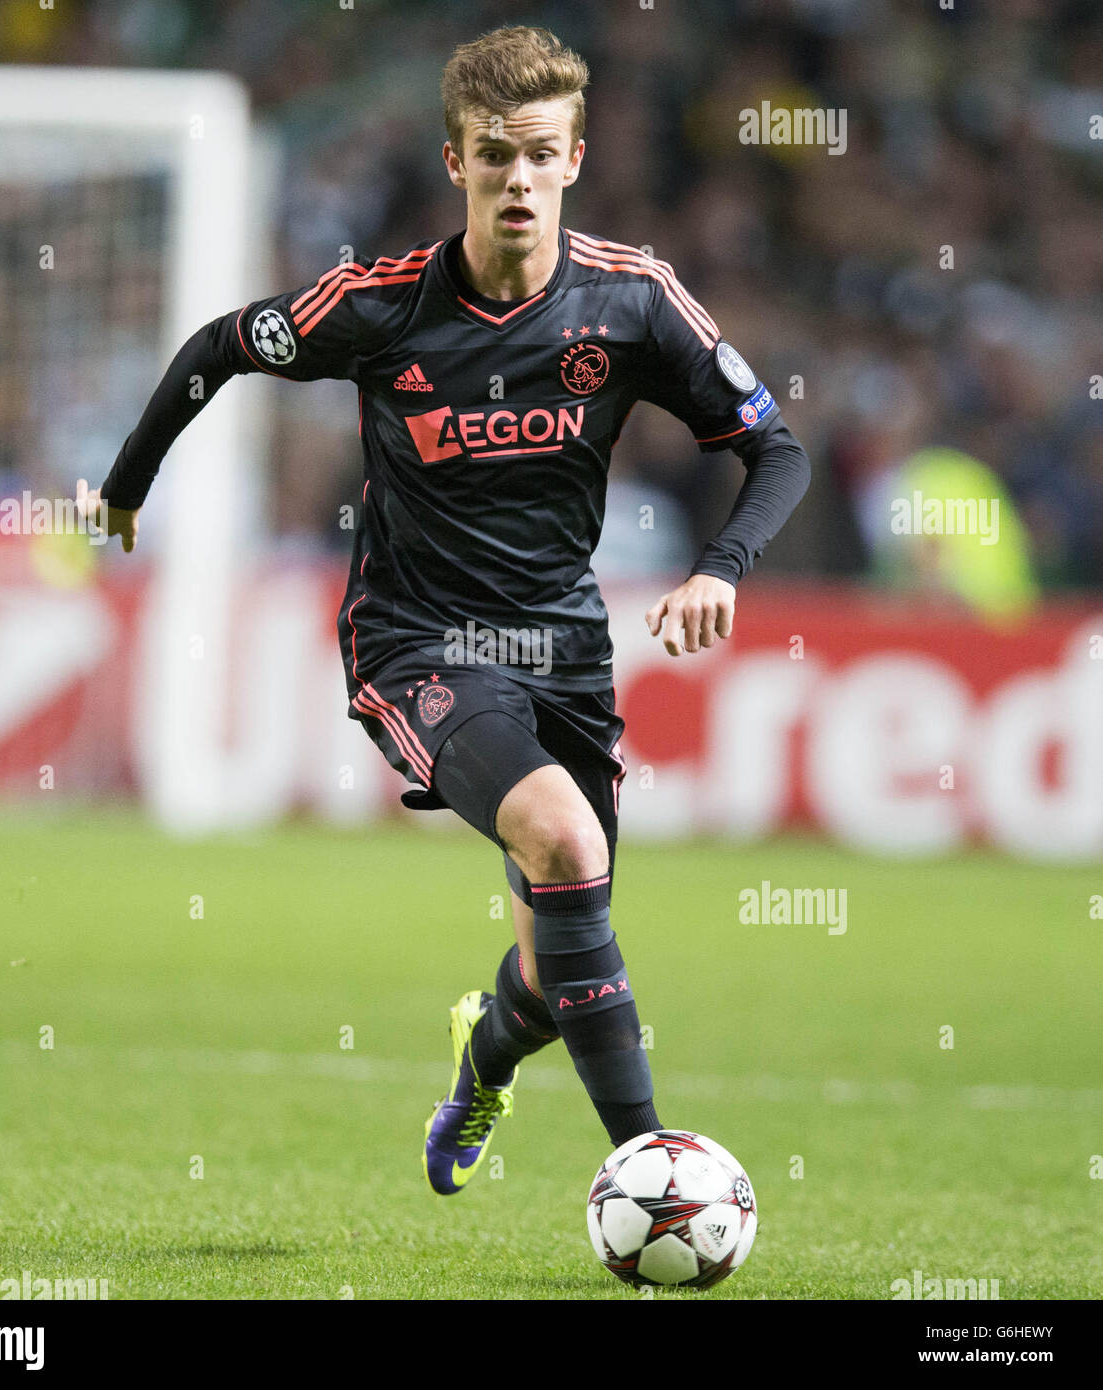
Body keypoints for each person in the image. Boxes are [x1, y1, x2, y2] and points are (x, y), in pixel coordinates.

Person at [78, 25, 810, 1196]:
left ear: (573, 159)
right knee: (563, 842)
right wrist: (125, 486)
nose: (515, 179)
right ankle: (651, 1166)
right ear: (453, 160)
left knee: (554, 953)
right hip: (417, 639)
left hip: (561, 647)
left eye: (537, 155)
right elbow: (221, 347)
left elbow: (774, 449)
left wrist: (721, 563)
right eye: (491, 155)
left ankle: (479, 1068)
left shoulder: (633, 303)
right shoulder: (380, 307)